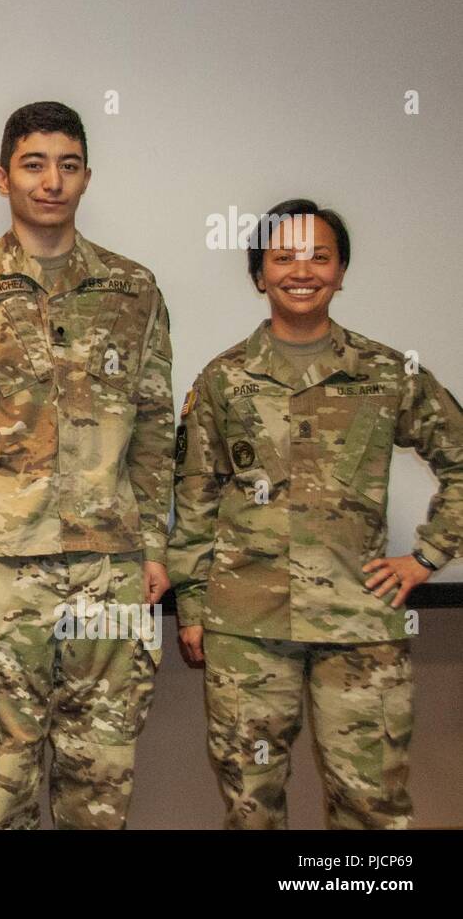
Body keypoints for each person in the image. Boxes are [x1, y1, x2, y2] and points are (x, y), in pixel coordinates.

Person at [0, 101, 174, 829]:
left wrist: (155, 544)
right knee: (5, 783)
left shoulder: (134, 290)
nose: (50, 181)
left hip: (111, 564)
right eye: (33, 164)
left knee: (102, 784)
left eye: (67, 164)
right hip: (3, 568)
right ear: (4, 177)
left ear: (86, 176)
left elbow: (155, 427)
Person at [168, 199, 463, 829]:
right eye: (283, 257)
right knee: (252, 807)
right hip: (246, 627)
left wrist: (427, 555)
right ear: (259, 275)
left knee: (371, 808)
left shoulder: (388, 373)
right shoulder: (224, 380)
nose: (302, 271)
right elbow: (194, 496)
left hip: (358, 623)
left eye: (319, 257)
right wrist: (192, 605)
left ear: (341, 271)